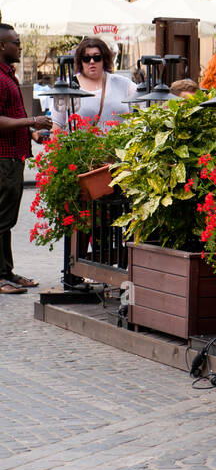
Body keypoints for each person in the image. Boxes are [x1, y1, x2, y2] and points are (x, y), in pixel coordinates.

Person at [0, 24, 53, 293]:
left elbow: (11, 116)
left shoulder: (9, 76)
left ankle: (6, 272)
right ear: (2, 46)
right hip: (3, 159)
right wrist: (32, 119)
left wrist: (31, 132)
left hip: (13, 157)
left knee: (6, 220)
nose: (20, 47)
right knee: (1, 219)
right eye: (16, 43)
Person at [53, 37, 137, 130]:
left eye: (97, 57)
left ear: (104, 59)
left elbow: (146, 105)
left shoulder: (123, 84)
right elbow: (56, 125)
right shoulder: (68, 88)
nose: (92, 61)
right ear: (80, 61)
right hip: (80, 144)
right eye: (86, 58)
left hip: (120, 143)